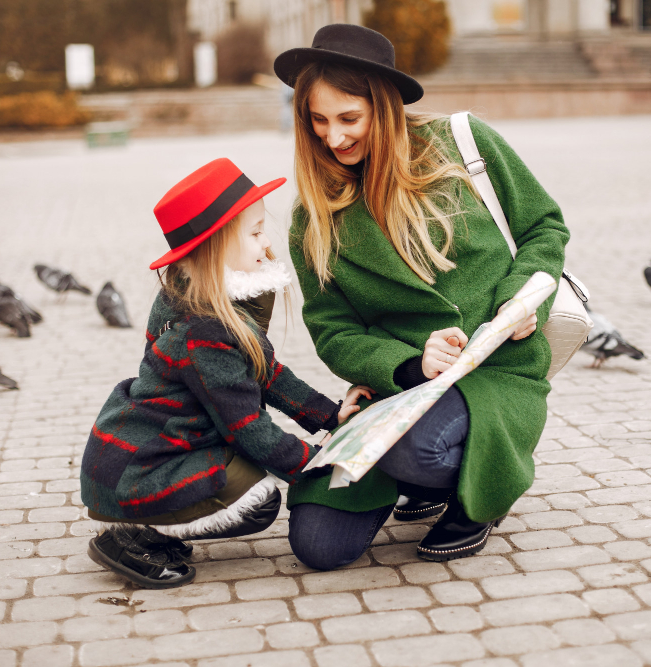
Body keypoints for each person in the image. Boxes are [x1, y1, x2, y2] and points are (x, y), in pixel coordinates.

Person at [273, 24, 569, 570]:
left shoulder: (464, 142)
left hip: (497, 368)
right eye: (317, 120)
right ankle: (432, 474)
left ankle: (477, 494)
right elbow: (333, 331)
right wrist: (408, 366)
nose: (332, 139)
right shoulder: (311, 216)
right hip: (401, 389)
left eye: (348, 119)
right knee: (319, 546)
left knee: (418, 448)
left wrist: (521, 301)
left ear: (382, 109)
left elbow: (544, 229)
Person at [80, 158, 369, 588]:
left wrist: (329, 416)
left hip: (153, 448)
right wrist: (315, 462)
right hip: (141, 467)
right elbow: (247, 426)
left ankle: (155, 526)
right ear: (214, 247)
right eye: (254, 233)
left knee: (254, 472)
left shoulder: (199, 296)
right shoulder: (206, 329)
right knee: (260, 500)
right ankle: (130, 536)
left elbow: (265, 372)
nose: (265, 242)